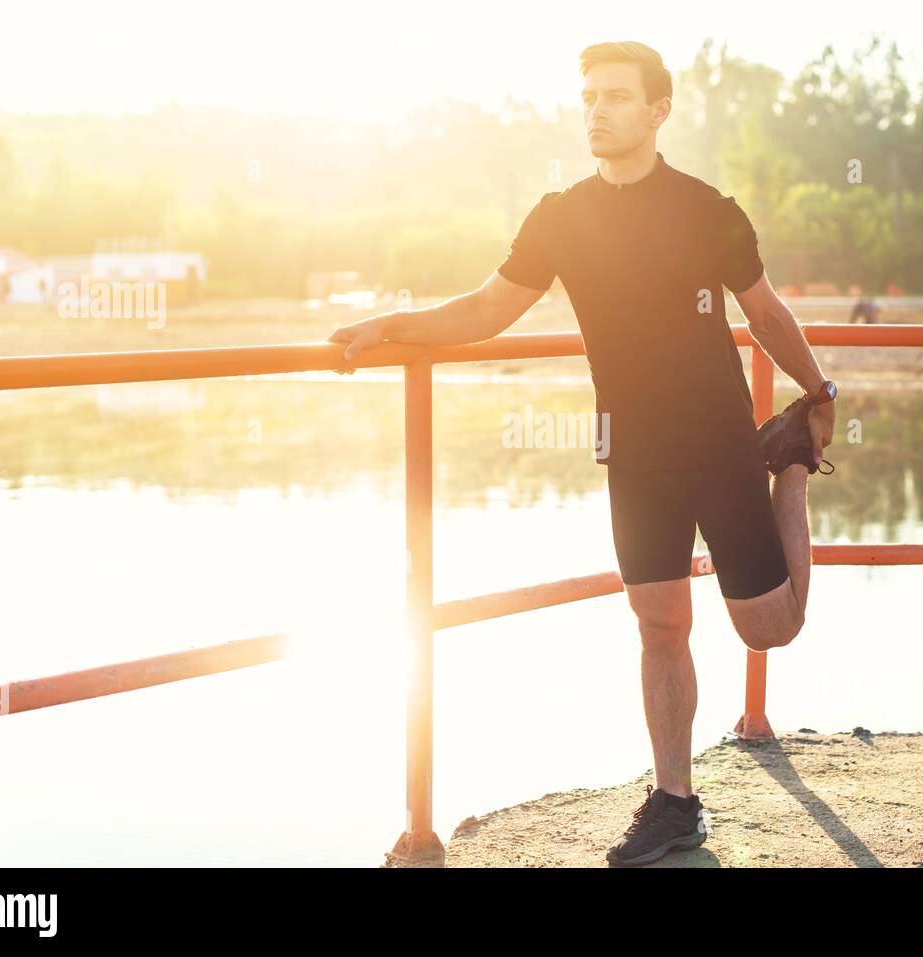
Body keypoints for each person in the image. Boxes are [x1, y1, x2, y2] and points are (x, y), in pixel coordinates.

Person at [328, 40, 836, 867]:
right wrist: (389, 325)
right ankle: (676, 801)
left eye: (616, 97)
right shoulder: (560, 217)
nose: (596, 111)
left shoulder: (709, 210)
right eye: (589, 96)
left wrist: (817, 396)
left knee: (769, 629)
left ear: (659, 110)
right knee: (660, 621)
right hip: (632, 453)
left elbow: (767, 315)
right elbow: (488, 310)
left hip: (718, 446)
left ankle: (786, 467)